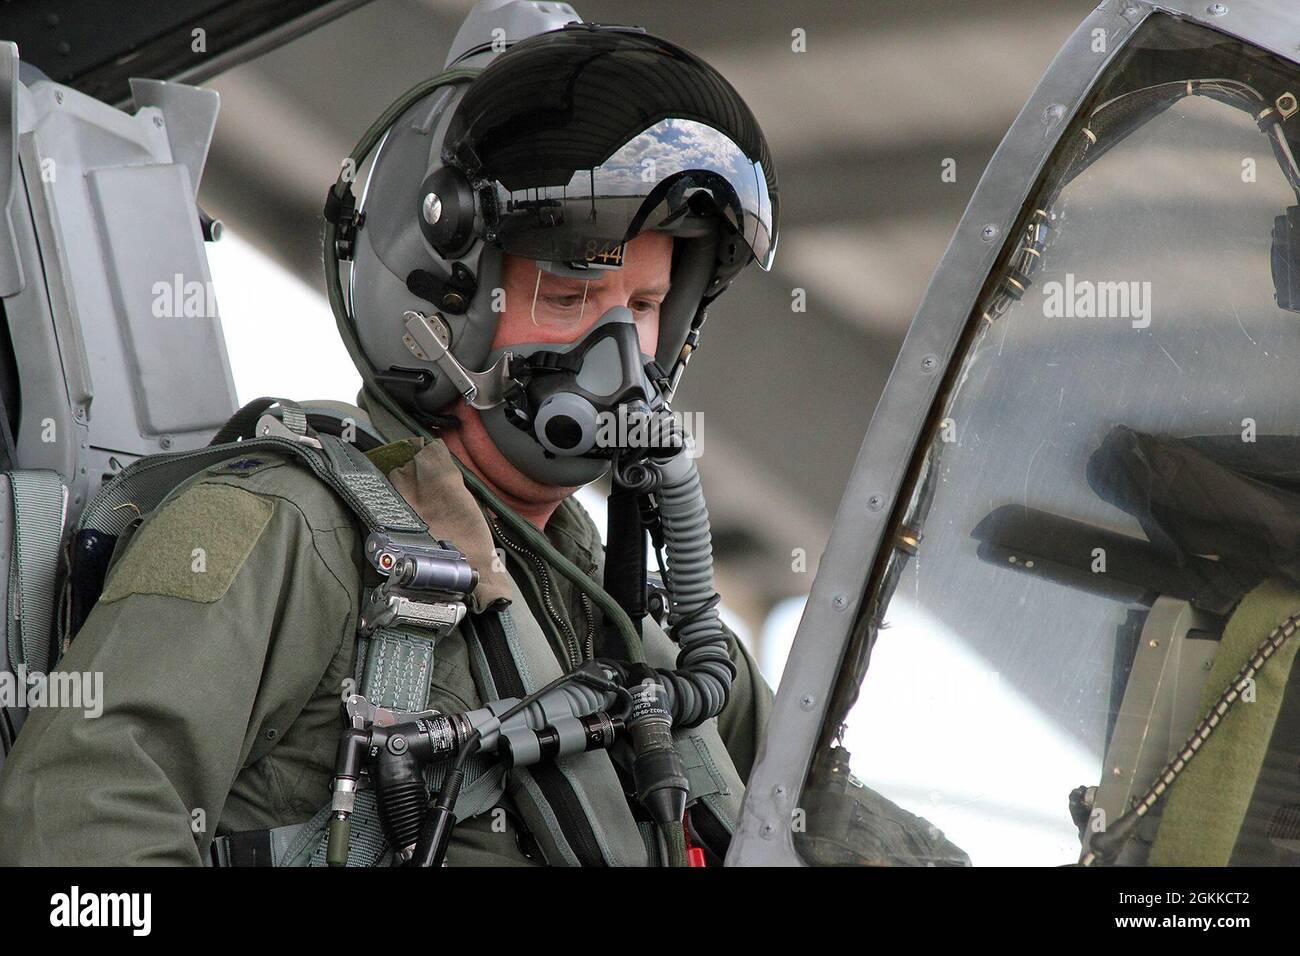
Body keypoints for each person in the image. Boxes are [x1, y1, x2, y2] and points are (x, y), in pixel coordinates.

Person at [0, 1, 778, 866]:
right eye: (565, 300)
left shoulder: (649, 630)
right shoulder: (289, 538)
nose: (619, 355)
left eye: (642, 307)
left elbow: (824, 811)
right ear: (439, 305)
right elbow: (76, 839)